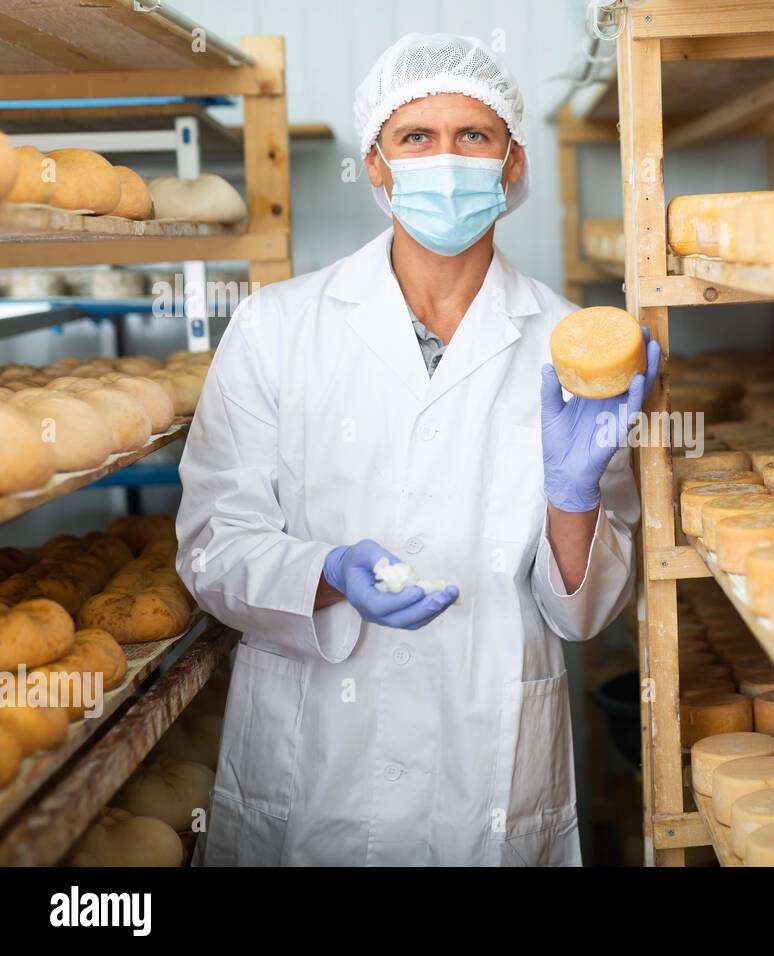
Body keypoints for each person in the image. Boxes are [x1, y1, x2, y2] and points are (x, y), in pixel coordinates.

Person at [176, 33, 657, 866]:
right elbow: (213, 548)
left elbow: (585, 616)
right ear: (377, 166)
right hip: (315, 754)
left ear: (511, 164)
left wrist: (574, 502)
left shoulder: (572, 344)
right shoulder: (275, 329)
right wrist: (325, 574)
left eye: (473, 136)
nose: (446, 160)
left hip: (489, 752)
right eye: (416, 138)